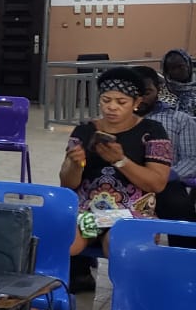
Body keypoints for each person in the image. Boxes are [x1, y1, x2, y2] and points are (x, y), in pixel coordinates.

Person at [61, 67, 172, 278]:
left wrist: (120, 161)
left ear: (136, 102)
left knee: (118, 244)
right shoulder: (84, 131)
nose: (111, 107)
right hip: (89, 213)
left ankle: (127, 303)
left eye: (121, 102)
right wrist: (74, 164)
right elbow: (67, 184)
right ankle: (45, 298)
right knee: (61, 243)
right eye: (106, 100)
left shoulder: (152, 131)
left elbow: (157, 184)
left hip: (133, 213)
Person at [136, 66, 196, 246]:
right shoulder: (119, 120)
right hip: (126, 181)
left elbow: (191, 159)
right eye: (136, 93)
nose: (141, 99)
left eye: (147, 92)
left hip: (164, 184)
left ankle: (185, 257)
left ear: (158, 90)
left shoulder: (180, 120)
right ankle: (80, 267)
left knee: (178, 206)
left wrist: (164, 175)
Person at [161, 49, 196, 115]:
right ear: (167, 72)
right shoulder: (162, 92)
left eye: (181, 66)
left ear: (188, 65)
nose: (178, 71)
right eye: (173, 68)